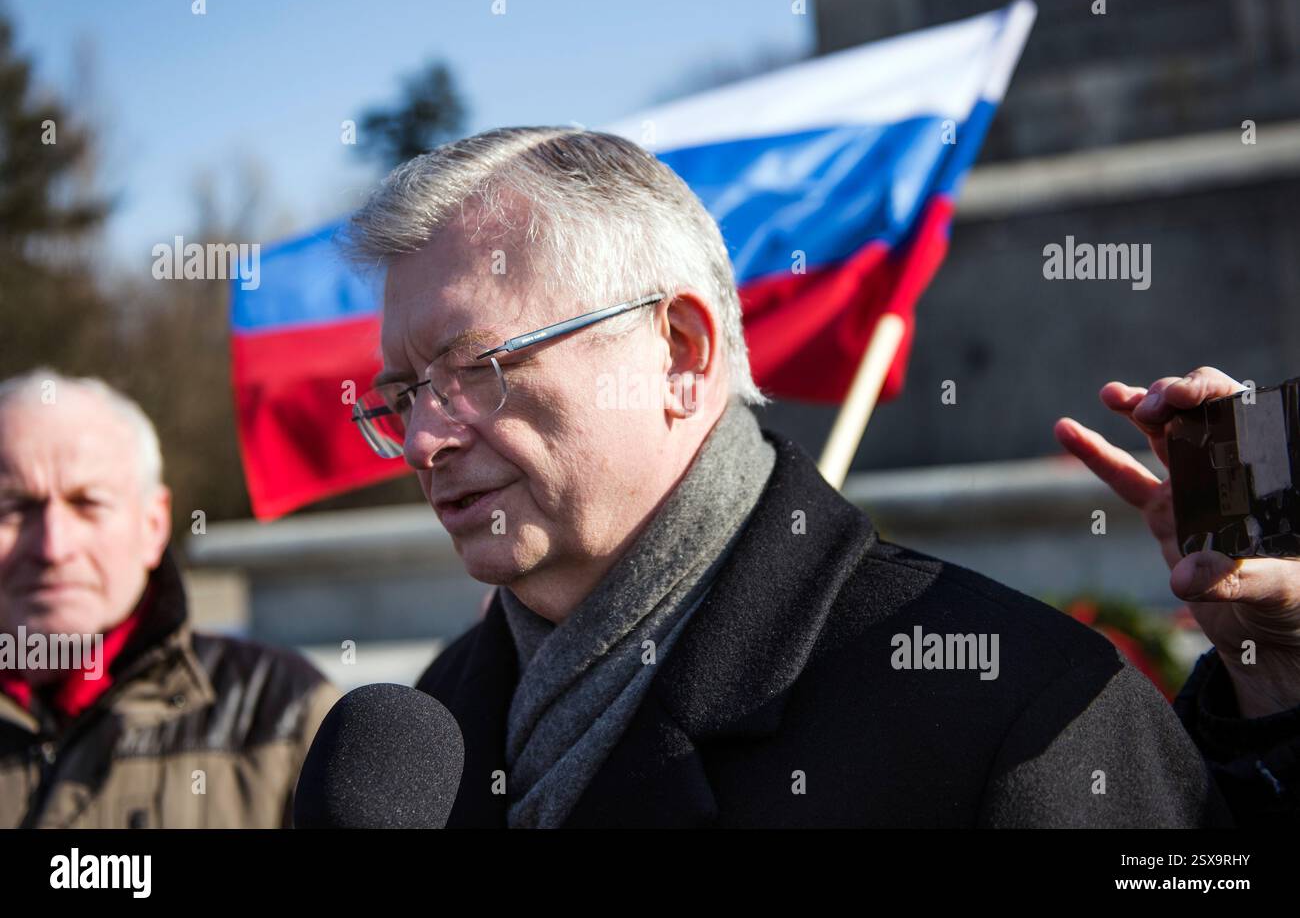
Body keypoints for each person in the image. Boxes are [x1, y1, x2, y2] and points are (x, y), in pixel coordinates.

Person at [346, 125, 1299, 827]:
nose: (425, 439)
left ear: (680, 352)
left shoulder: (1014, 702)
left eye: (477, 370)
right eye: (400, 394)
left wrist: (1275, 680)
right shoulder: (417, 739)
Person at [0, 370, 339, 827]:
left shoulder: (284, 714)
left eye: (88, 504)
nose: (52, 547)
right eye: (14, 508)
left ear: (154, 525)